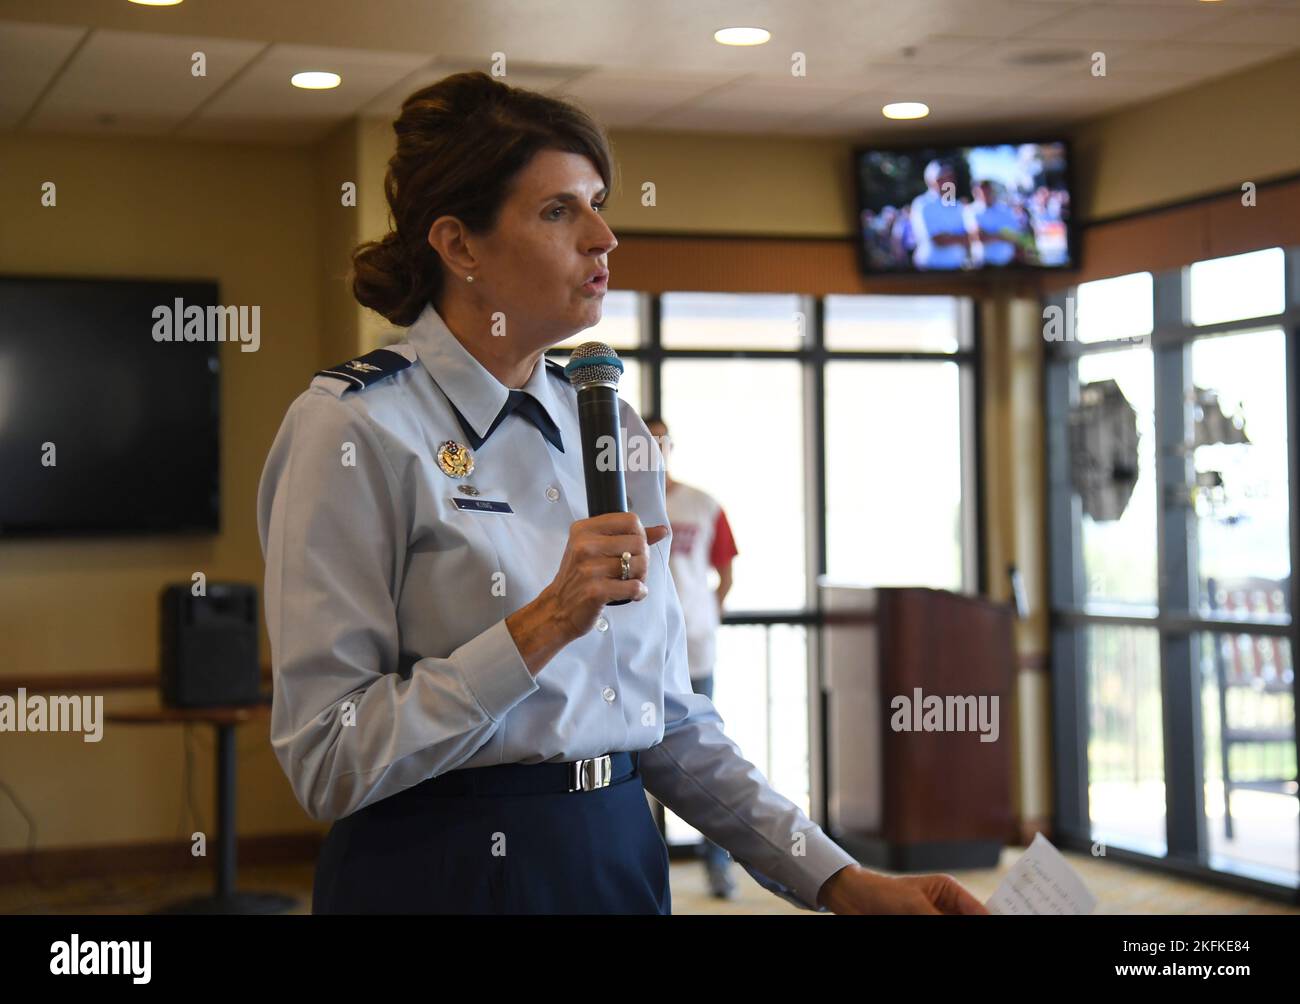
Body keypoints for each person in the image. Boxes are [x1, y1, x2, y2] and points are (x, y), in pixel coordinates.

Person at [256, 70, 987, 916]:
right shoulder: (355, 430)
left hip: (616, 848)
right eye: (560, 211)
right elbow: (327, 758)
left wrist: (838, 878)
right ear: (459, 246)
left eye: (598, 202)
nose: (604, 237)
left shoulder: (612, 426)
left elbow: (670, 722)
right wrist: (537, 628)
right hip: (442, 862)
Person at [643, 416, 739, 898]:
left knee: (705, 757)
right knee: (635, 764)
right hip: (638, 655)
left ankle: (716, 865)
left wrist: (702, 620)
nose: (654, 448)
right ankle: (646, 860)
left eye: (661, 441)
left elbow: (725, 574)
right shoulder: (615, 498)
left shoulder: (702, 504)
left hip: (695, 651)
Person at [908, 160, 971, 270]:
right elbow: (939, 240)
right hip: (930, 268)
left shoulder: (957, 205)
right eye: (942, 178)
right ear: (930, 181)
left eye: (950, 177)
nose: (947, 181)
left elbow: (972, 235)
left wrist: (953, 237)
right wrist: (963, 238)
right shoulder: (922, 204)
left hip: (957, 267)